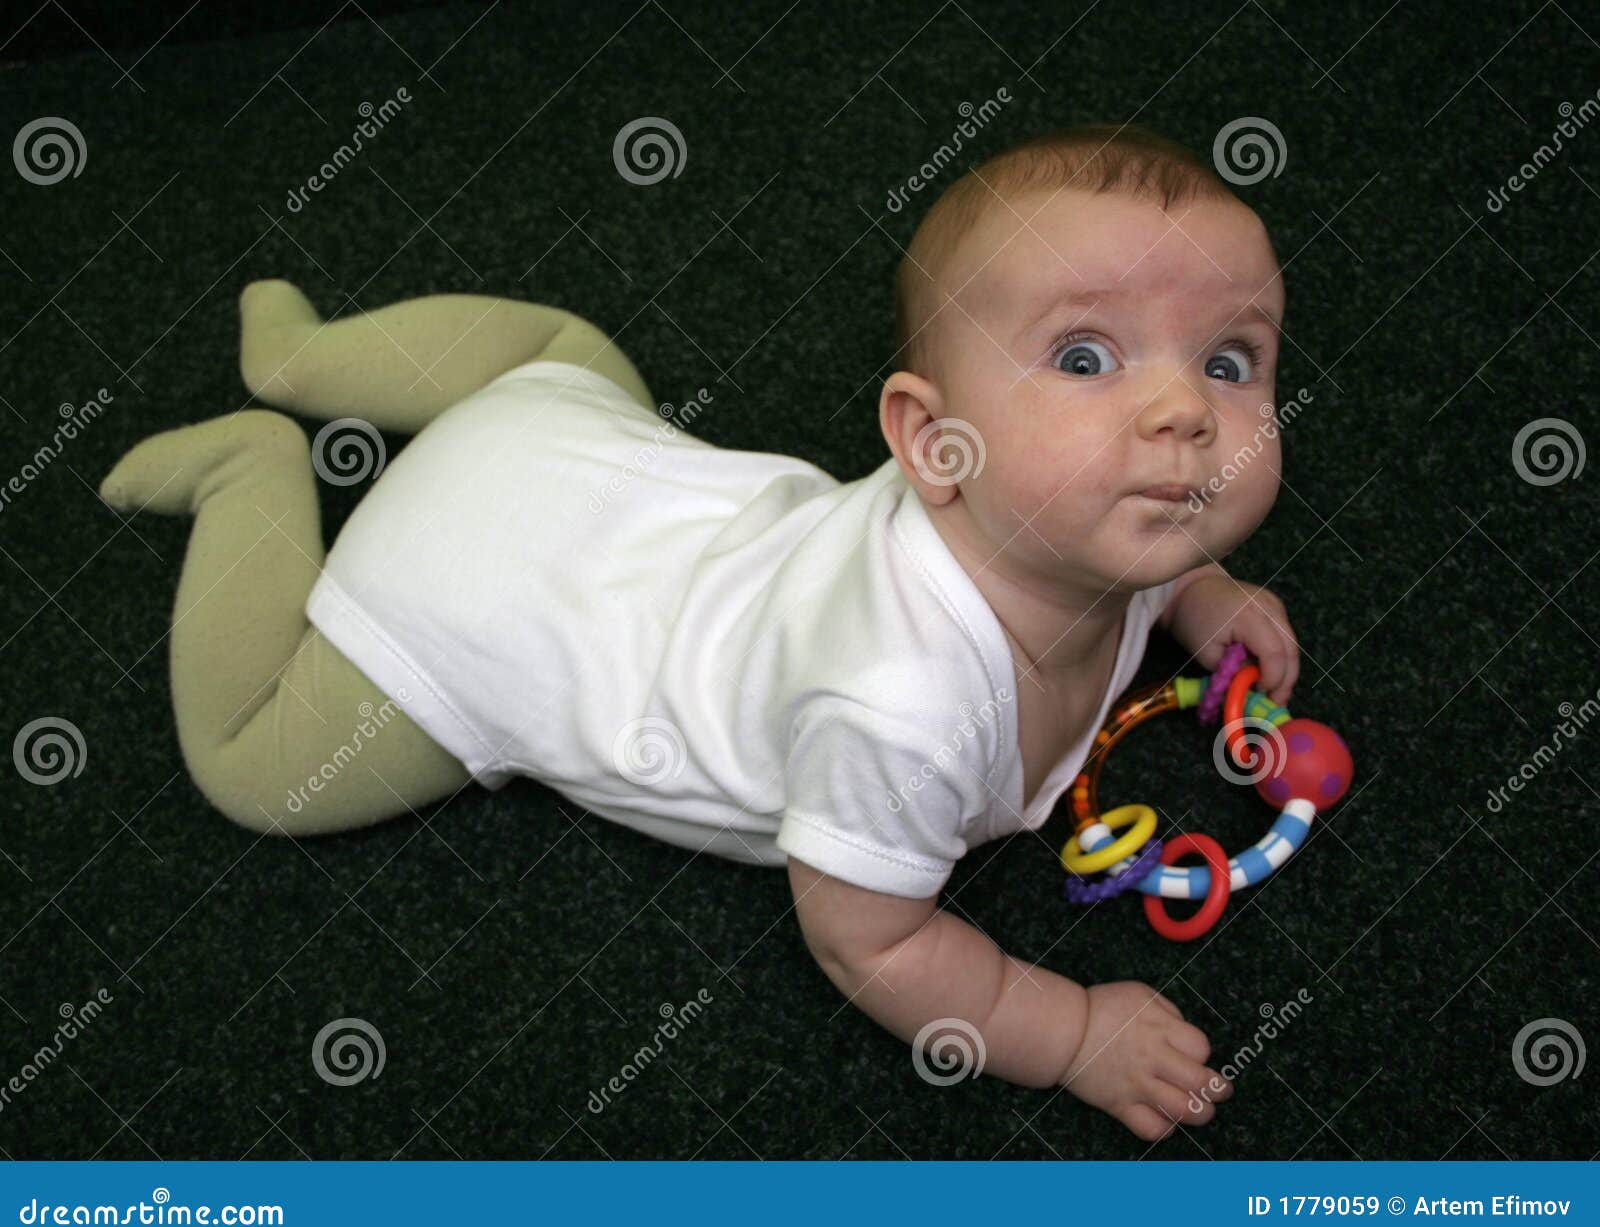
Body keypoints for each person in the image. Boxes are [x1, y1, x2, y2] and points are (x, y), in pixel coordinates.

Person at [99, 122, 1299, 1143]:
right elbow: (872, 943)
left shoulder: (1080, 521)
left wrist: (1200, 593)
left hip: (569, 454)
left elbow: (1133, 548)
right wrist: (1070, 1031)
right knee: (257, 763)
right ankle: (250, 476)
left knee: (558, 356)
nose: (1182, 412)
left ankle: (315, 360)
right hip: (470, 606)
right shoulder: (898, 705)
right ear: (933, 445)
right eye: (1085, 356)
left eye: (1230, 359)